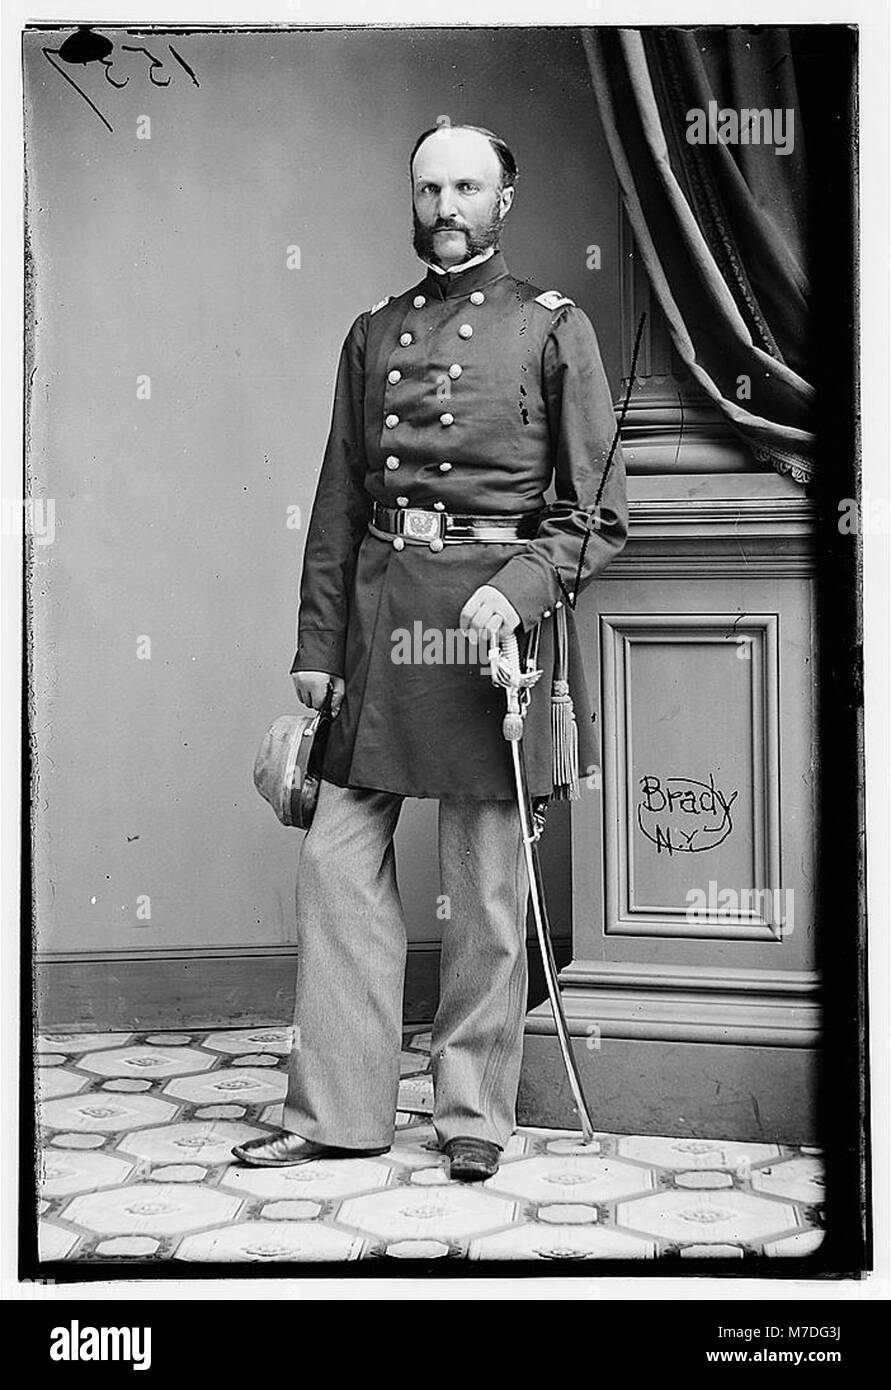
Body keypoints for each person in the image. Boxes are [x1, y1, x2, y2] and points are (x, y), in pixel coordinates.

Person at [233, 120, 627, 1181]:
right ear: (411, 202)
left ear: (506, 200)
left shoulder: (555, 328)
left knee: (489, 886)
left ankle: (472, 1115)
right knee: (336, 862)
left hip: (492, 632)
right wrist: (317, 644)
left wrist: (518, 589)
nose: (446, 206)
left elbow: (594, 515)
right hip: (381, 615)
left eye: (467, 187)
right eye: (429, 188)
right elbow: (339, 501)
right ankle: (340, 1113)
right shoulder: (371, 332)